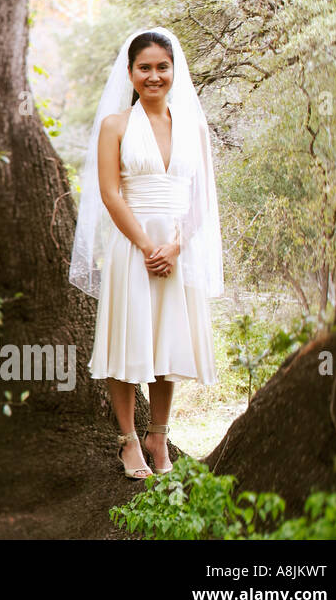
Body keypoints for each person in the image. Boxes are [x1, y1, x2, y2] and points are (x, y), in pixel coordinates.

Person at [69, 27, 224, 480]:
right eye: (145, 68)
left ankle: (159, 434)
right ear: (131, 72)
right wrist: (146, 245)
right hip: (132, 244)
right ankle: (129, 440)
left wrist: (175, 246)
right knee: (128, 341)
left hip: (177, 248)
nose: (154, 76)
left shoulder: (193, 126)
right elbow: (110, 193)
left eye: (162, 67)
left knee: (167, 340)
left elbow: (200, 198)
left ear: (174, 71)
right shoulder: (115, 125)